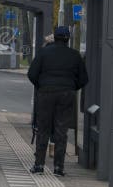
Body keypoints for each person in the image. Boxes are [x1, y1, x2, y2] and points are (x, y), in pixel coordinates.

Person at [27, 26, 88, 176]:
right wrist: (71, 87)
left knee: (43, 129)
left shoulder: (44, 53)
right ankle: (59, 168)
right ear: (68, 39)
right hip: (66, 94)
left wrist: (41, 85)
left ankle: (39, 165)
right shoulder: (75, 56)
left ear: (55, 37)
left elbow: (32, 73)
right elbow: (84, 79)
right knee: (61, 130)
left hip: (46, 93)